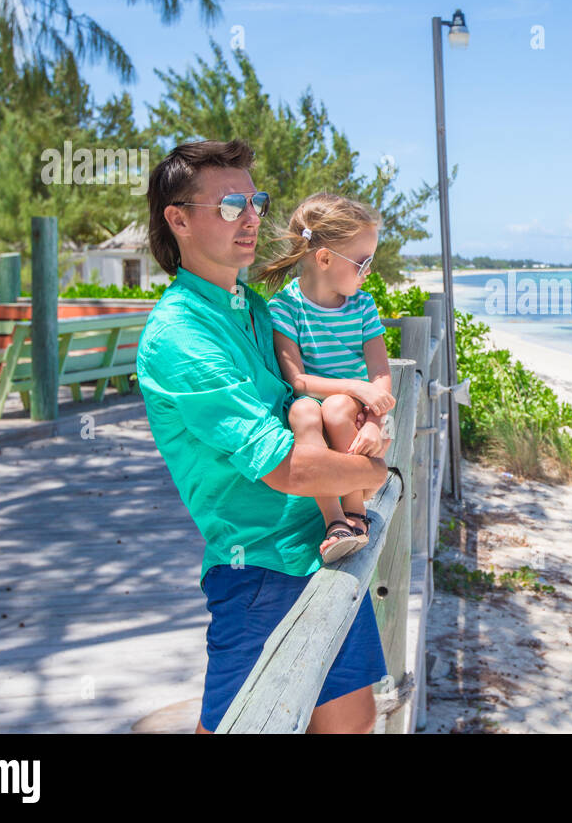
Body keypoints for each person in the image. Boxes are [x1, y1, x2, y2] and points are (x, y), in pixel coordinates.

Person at [134, 139, 389, 734]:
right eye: (230, 205)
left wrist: (364, 417)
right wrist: (377, 473)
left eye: (257, 201)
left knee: (352, 723)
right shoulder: (180, 334)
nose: (252, 217)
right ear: (177, 219)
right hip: (261, 570)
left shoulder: (250, 306)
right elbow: (290, 471)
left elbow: (314, 399)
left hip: (325, 549)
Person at [253, 193, 395, 565]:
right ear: (325, 259)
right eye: (363, 263)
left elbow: (380, 372)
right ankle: (334, 521)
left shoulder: (363, 306)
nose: (369, 273)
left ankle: (354, 511)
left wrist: (376, 423)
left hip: (351, 412)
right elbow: (297, 380)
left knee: (333, 409)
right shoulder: (285, 307)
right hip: (320, 396)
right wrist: (353, 385)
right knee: (302, 411)